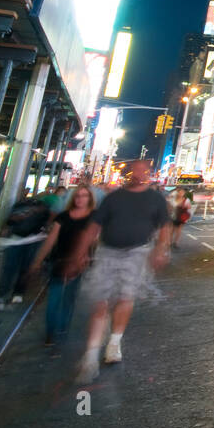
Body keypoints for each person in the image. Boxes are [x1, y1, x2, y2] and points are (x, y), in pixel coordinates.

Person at [66, 161, 171, 383]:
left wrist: (161, 250)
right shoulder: (113, 198)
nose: (139, 175)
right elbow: (93, 227)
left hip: (137, 253)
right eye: (136, 171)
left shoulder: (156, 199)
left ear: (149, 174)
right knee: (101, 302)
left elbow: (164, 227)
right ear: (129, 173)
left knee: (125, 297)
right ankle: (91, 355)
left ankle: (114, 343)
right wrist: (79, 253)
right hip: (107, 252)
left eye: (144, 171)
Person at [30, 186, 95, 346]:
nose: (80, 199)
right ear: (73, 198)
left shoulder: (94, 218)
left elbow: (95, 240)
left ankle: (62, 328)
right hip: (59, 261)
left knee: (69, 298)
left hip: (78, 263)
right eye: (77, 196)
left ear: (89, 199)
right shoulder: (63, 217)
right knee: (54, 297)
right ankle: (50, 332)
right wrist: (37, 261)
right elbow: (51, 240)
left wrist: (87, 256)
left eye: (84, 196)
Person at [0, 193, 52, 310]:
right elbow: (46, 224)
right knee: (23, 267)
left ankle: (3, 296)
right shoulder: (41, 209)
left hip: (17, 240)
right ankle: (15, 293)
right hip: (31, 240)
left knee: (10, 268)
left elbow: (9, 222)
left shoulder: (20, 206)